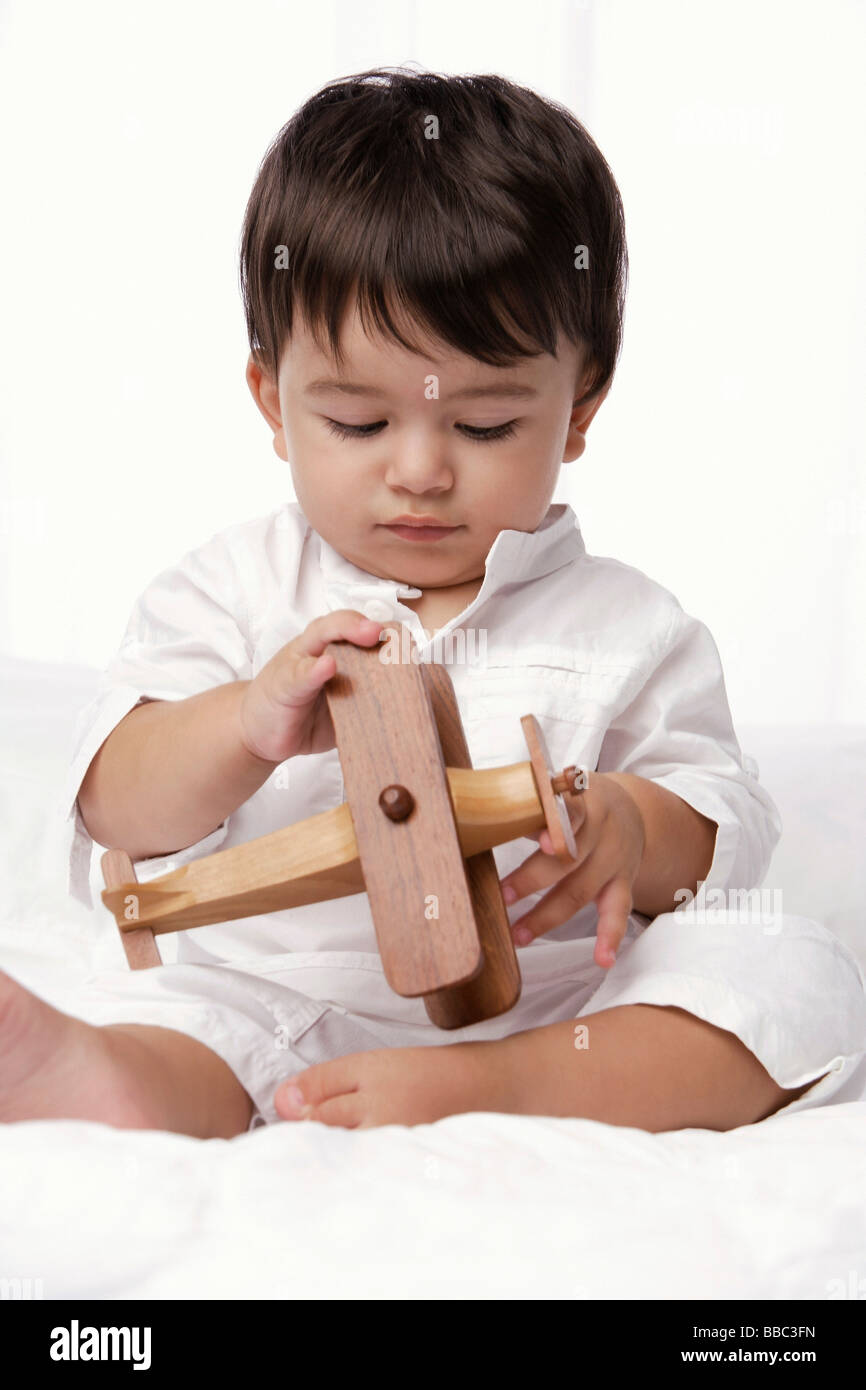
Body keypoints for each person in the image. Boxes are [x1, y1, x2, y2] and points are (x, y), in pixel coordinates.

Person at [4, 68, 865, 1138]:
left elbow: (717, 829)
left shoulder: (628, 627)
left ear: (579, 409)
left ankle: (490, 1090)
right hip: (268, 996)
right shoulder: (228, 592)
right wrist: (244, 722)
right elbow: (114, 802)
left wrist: (627, 828)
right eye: (358, 424)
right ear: (273, 402)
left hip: (551, 1007)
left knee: (786, 963)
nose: (417, 471)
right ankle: (100, 1079)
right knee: (180, 1019)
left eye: (487, 426)